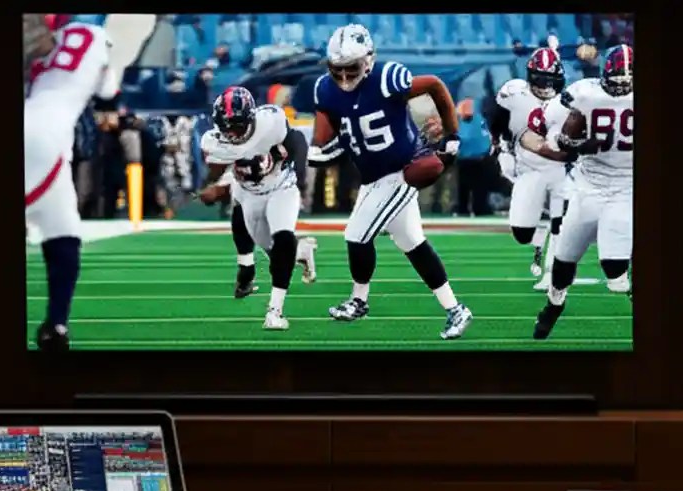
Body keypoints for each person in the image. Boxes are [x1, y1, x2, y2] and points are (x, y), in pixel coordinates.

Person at [307, 24, 474, 340]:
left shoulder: (387, 78)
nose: (343, 77)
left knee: (356, 235)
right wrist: (320, 147)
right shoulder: (324, 89)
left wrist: (451, 137)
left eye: (350, 69)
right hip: (372, 177)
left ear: (368, 60)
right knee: (413, 244)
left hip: (400, 170)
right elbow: (326, 128)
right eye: (336, 70)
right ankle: (456, 310)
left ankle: (359, 301)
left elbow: (435, 85)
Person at [24, 14, 120, 351]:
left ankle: (56, 326)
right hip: (47, 135)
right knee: (61, 233)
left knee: (63, 227)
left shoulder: (45, 43)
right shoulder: (95, 37)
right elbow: (108, 92)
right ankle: (55, 322)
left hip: (38, 126)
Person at [532, 44, 634, 340]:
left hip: (625, 187)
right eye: (614, 81)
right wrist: (572, 143)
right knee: (564, 259)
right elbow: (546, 126)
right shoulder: (584, 93)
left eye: (624, 81)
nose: (619, 88)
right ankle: (553, 306)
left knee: (614, 266)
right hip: (587, 185)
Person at [196, 87, 318, 330]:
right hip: (249, 193)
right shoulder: (213, 141)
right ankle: (302, 251)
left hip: (280, 185)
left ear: (251, 118)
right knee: (274, 253)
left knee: (283, 239)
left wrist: (301, 177)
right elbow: (217, 170)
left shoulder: (269, 121)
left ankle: (275, 311)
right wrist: (214, 188)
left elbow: (297, 141)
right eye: (226, 126)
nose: (231, 132)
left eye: (237, 126)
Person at [491, 47, 575, 287]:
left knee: (561, 221)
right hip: (527, 169)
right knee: (521, 233)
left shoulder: (569, 100)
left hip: (561, 168)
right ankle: (539, 233)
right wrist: (501, 150)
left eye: (550, 79)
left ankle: (552, 273)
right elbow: (496, 123)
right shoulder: (514, 93)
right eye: (539, 79)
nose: (545, 85)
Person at [452, 98, 493, 216]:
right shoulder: (462, 122)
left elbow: (483, 138)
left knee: (478, 187)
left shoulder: (479, 121)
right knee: (464, 187)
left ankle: (478, 208)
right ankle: (464, 209)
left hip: (478, 159)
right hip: (466, 160)